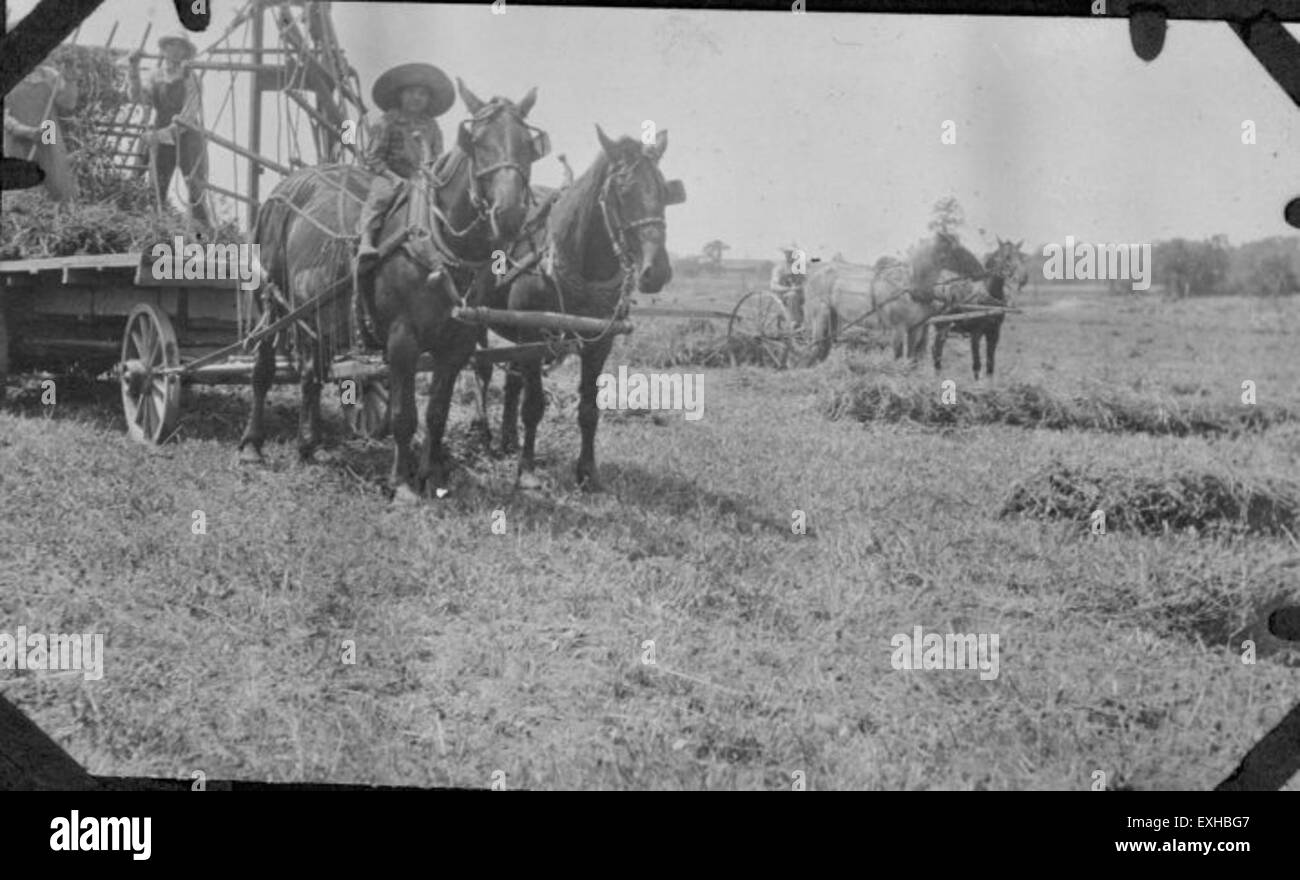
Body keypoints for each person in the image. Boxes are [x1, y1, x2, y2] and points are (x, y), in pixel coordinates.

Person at [356, 62, 455, 270]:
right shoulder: (387, 122)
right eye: (411, 92)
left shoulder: (432, 126)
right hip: (391, 175)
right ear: (400, 95)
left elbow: (437, 158)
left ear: (428, 100)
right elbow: (372, 158)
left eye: (422, 94)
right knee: (381, 195)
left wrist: (434, 175)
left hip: (422, 179)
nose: (416, 98)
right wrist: (393, 178)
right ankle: (366, 241)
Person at [128, 33, 210, 229]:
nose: (175, 50)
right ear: (163, 50)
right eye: (171, 45)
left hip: (188, 136)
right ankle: (156, 230)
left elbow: (189, 113)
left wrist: (163, 134)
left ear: (185, 52)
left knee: (195, 188)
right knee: (157, 186)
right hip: (161, 134)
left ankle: (203, 235)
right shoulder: (155, 75)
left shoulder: (191, 78)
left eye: (180, 46)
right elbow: (138, 97)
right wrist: (133, 68)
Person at [3, 64, 79, 202]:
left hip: (47, 135)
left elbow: (68, 103)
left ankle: (56, 216)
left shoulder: (49, 75)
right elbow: (4, 117)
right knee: (20, 183)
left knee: (54, 179)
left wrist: (69, 82)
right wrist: (27, 132)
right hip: (18, 140)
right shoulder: (6, 75)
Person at [770, 245, 807, 328]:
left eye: (792, 253)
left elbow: (804, 282)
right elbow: (774, 286)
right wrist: (789, 289)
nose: (790, 255)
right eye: (788, 253)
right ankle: (795, 322)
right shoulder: (779, 268)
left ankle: (812, 323)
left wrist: (802, 287)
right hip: (783, 295)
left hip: (798, 294)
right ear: (785, 254)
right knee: (792, 295)